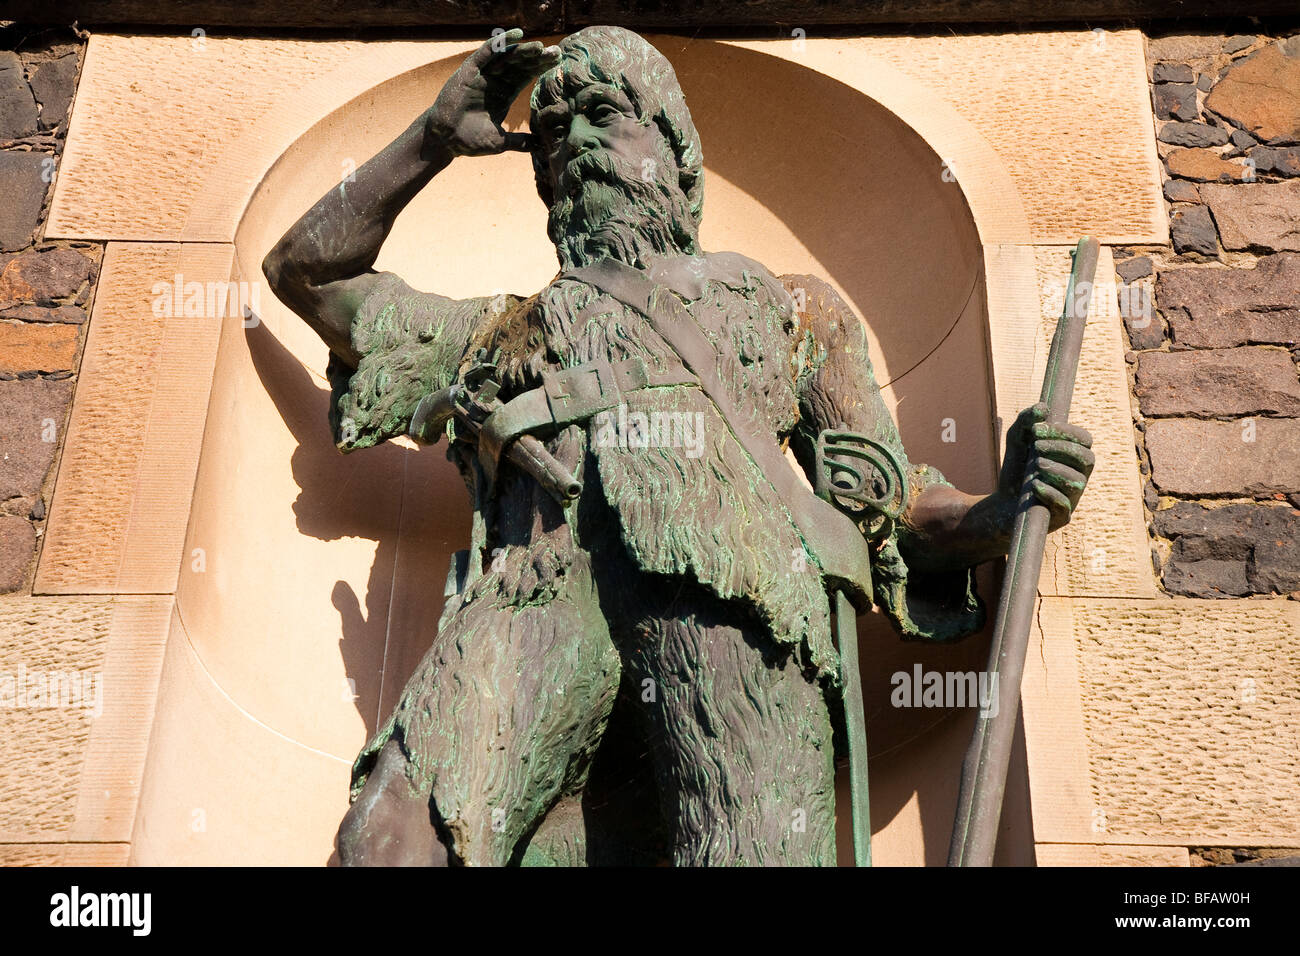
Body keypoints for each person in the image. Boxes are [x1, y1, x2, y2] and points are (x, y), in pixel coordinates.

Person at [262, 25, 1094, 866]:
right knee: (385, 845)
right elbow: (307, 273)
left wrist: (1000, 507)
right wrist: (431, 139)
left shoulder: (789, 309)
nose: (575, 142)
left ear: (675, 152)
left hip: (741, 605)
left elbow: (890, 507)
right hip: (541, 605)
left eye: (602, 114)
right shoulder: (501, 331)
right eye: (552, 134)